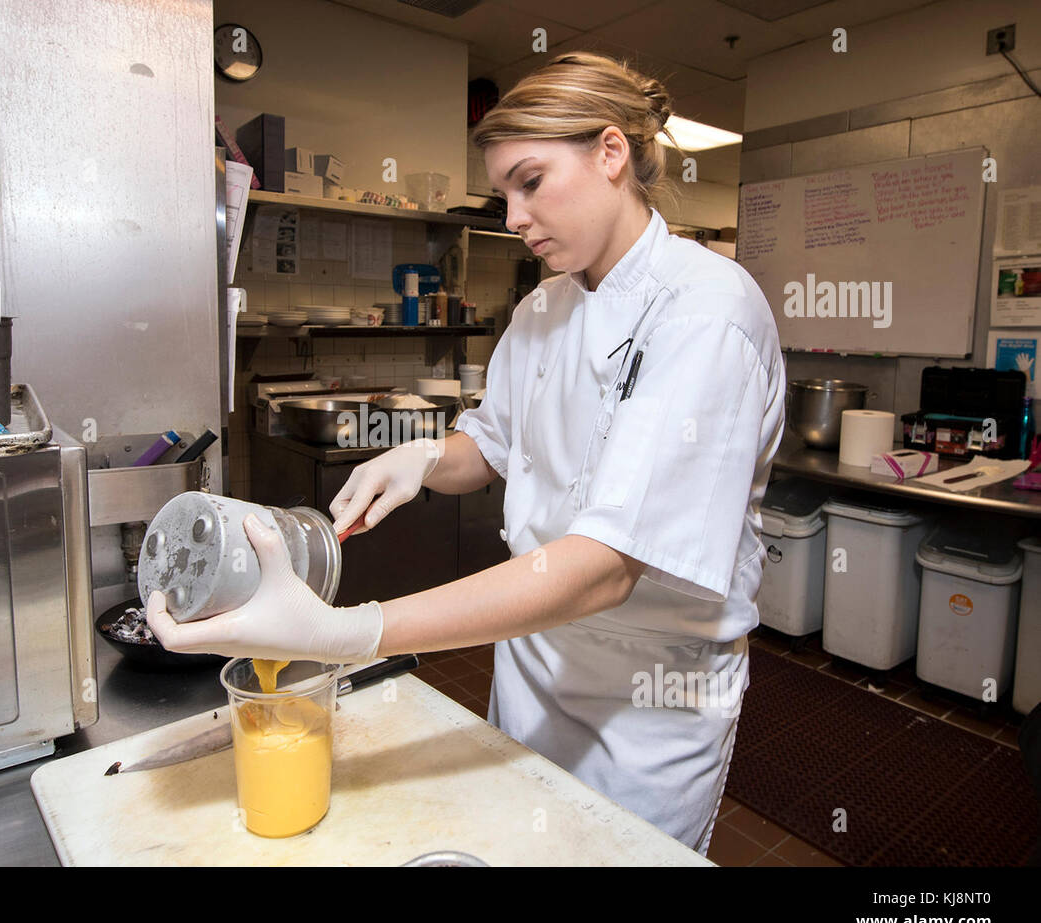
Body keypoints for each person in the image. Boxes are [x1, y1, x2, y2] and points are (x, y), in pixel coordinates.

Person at [146, 51, 786, 856]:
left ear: (612, 153)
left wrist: (354, 632)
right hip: (532, 659)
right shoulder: (544, 306)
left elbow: (606, 565)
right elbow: (488, 444)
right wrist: (418, 459)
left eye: (531, 182)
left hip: (648, 694)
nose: (514, 216)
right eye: (504, 193)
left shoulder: (707, 315)